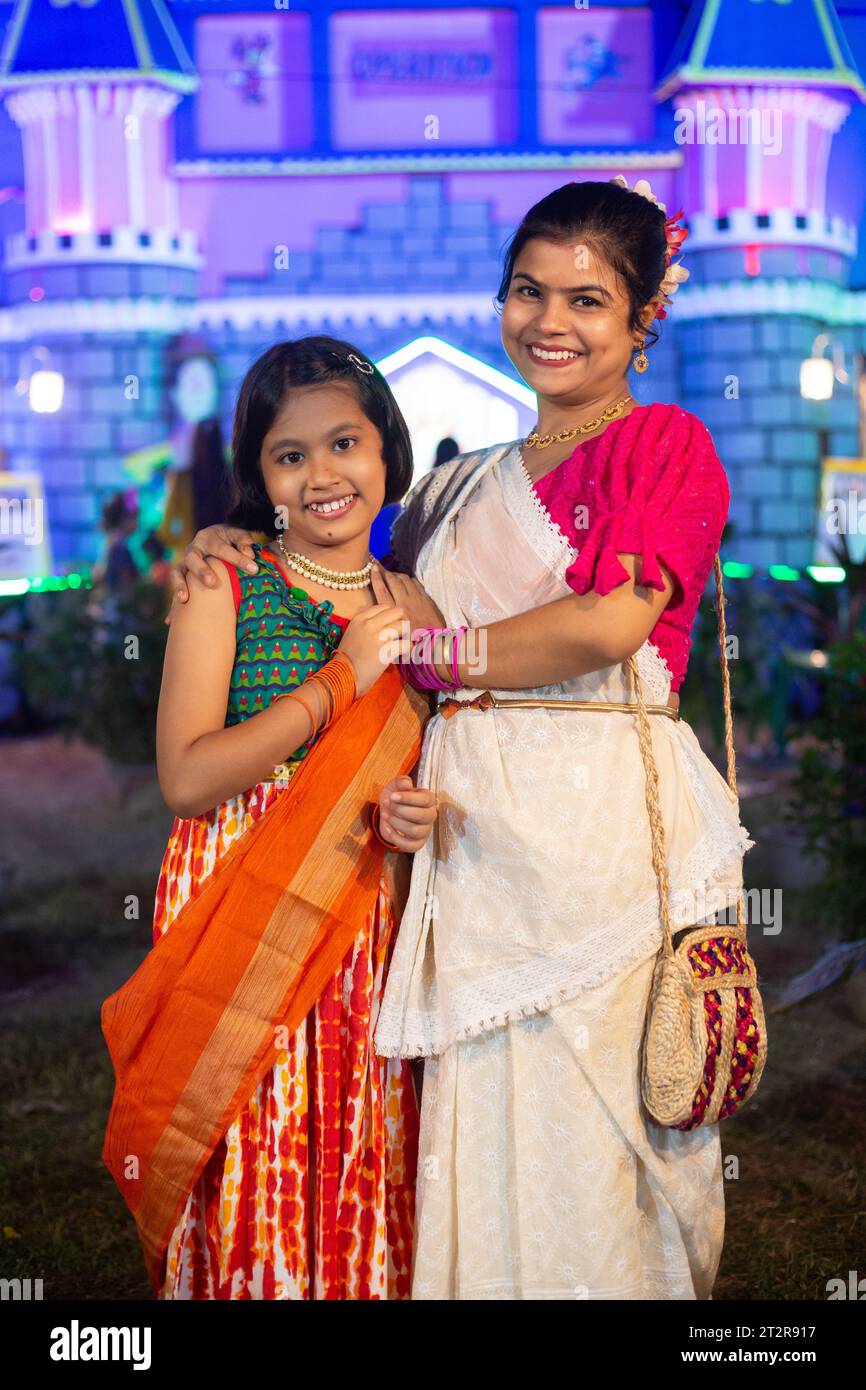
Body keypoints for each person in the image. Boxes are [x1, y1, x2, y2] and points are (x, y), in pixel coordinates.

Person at [165, 177, 758, 1300]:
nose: (550, 320)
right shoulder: (449, 487)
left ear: (643, 317)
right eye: (527, 290)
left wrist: (428, 659)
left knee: (595, 1109)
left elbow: (603, 623)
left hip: (594, 837)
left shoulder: (662, 447)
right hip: (460, 849)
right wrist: (225, 537)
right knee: (472, 1120)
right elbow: (333, 547)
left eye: (588, 299)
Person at [101, 336, 437, 1300]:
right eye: (290, 456)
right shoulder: (227, 583)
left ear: (386, 454)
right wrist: (338, 685)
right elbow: (186, 776)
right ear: (259, 473)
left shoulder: (412, 601)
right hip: (240, 894)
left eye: (346, 444)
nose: (324, 474)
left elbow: (422, 756)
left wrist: (416, 812)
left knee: (356, 1123)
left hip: (364, 909)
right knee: (258, 1118)